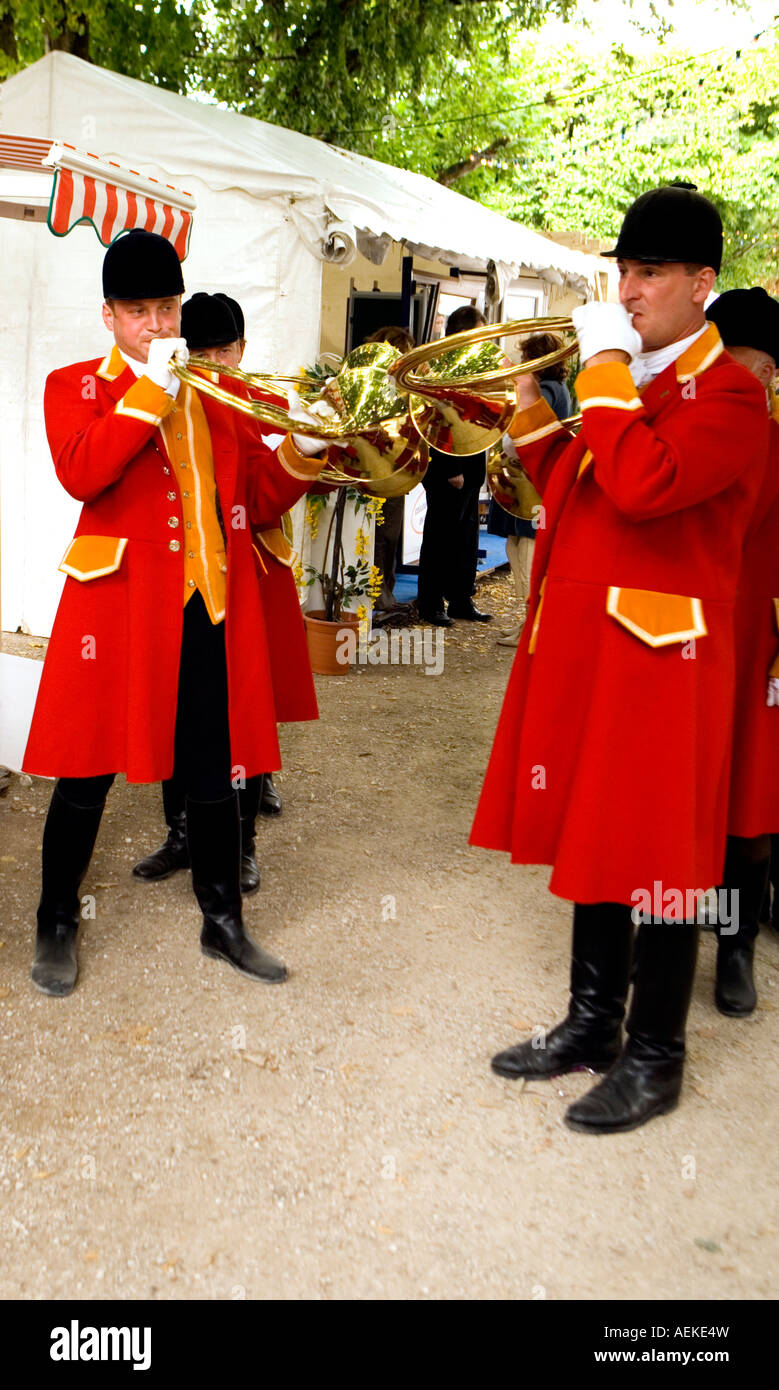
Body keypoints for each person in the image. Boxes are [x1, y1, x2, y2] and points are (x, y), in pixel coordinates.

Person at [470, 184, 770, 1133]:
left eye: (646, 274)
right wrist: (525, 422)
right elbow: (587, 490)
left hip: (669, 659)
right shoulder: (633, 378)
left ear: (699, 283)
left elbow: (644, 485)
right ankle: (593, 1023)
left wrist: (600, 365)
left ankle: (656, 1056)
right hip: (602, 644)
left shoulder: (730, 392)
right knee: (600, 835)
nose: (626, 291)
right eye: (622, 272)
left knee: (664, 859)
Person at [23, 229, 330, 996]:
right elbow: (83, 472)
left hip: (204, 604)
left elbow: (255, 496)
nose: (157, 325)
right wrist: (148, 391)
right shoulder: (75, 385)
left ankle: (222, 922)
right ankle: (56, 920)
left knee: (212, 770)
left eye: (166, 308)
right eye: (139, 311)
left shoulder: (215, 392)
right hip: (116, 606)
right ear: (109, 316)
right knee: (85, 770)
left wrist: (308, 449)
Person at [131, 291, 307, 893]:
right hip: (185, 576)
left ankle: (242, 843)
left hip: (251, 569)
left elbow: (267, 491)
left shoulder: (257, 398)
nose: (212, 362)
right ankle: (182, 833)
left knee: (246, 714)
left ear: (243, 349)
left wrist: (306, 446)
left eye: (223, 350)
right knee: (180, 707)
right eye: (200, 351)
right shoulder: (165, 394)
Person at [704, 287, 779, 1016]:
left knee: (750, 810)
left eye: (756, 370)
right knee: (670, 796)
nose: (745, 384)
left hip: (761, 647)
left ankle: (733, 947)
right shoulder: (687, 431)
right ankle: (653, 927)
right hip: (688, 639)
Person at [488, 334, 572, 647]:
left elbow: (526, 432)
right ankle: (527, 619)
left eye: (527, 357)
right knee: (517, 546)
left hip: (530, 483)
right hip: (524, 479)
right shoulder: (553, 389)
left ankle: (532, 621)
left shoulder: (546, 392)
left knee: (526, 550)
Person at [417, 305, 493, 626]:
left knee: (465, 536)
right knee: (439, 537)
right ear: (464, 333)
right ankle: (431, 603)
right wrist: (451, 468)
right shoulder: (439, 367)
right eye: (479, 331)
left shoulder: (469, 365)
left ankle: (462, 598)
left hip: (470, 464)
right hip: (450, 467)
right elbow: (439, 419)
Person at [362, 325, 416, 613]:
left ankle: (387, 592)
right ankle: (380, 595)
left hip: (396, 467)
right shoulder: (374, 385)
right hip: (379, 467)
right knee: (383, 534)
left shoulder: (396, 385)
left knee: (390, 534)